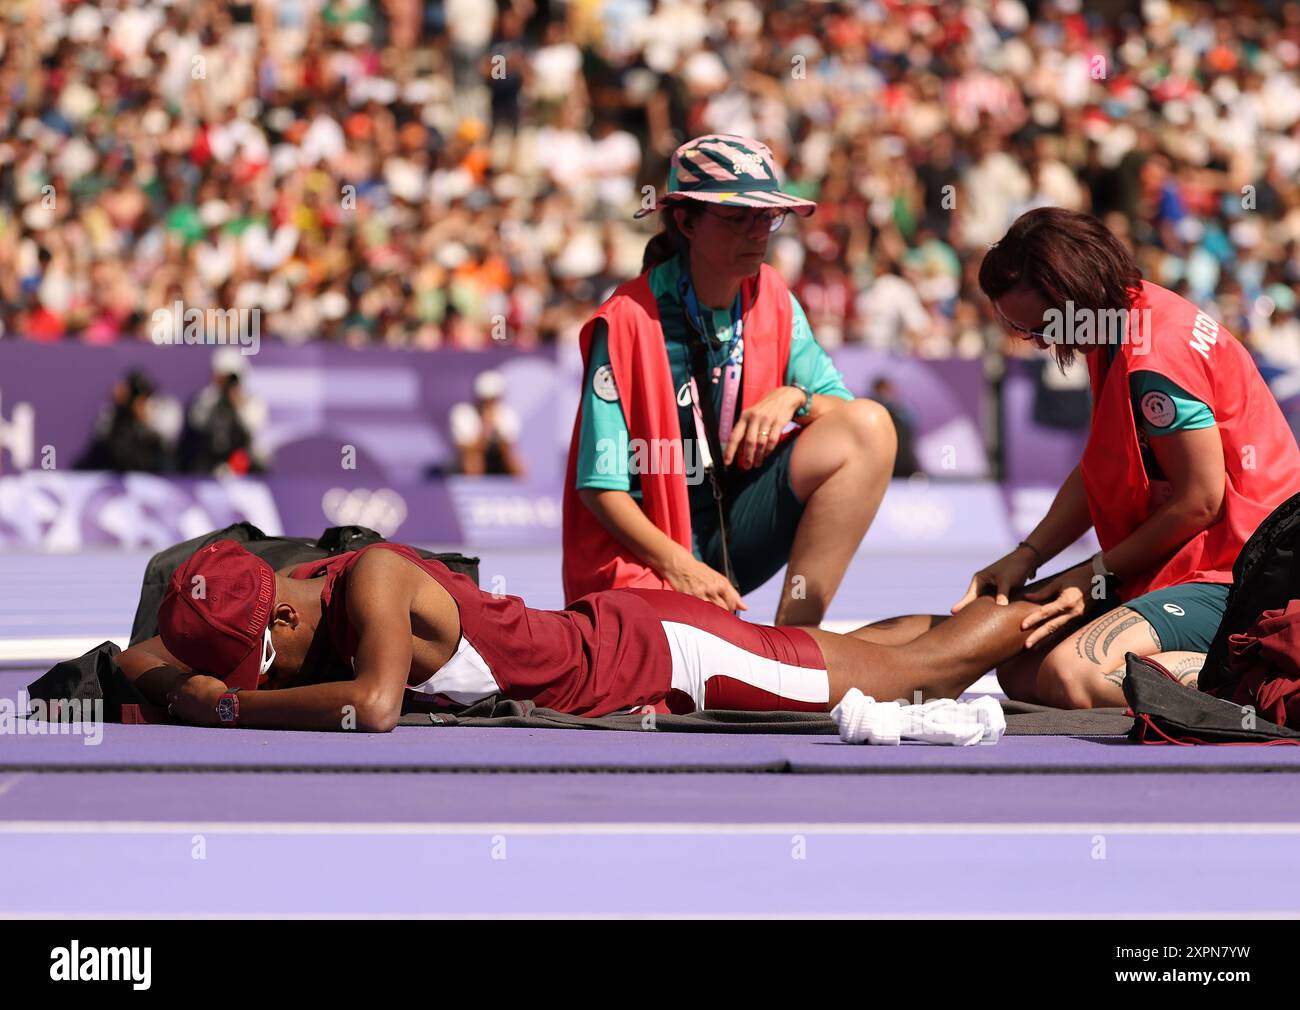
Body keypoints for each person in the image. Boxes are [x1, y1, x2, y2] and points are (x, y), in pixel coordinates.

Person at [874, 208, 1300, 709]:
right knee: (1020, 666)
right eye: (1018, 328)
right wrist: (1028, 555)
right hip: (1191, 564)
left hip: (1241, 577)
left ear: (1073, 295)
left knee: (1075, 675)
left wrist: (1095, 572)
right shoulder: (1117, 321)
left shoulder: (1154, 358)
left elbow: (1199, 502)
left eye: (1036, 327)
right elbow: (1103, 467)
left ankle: (1246, 678)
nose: (1034, 340)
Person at [113, 538, 1040, 731]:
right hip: (628, 636)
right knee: (860, 648)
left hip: (671, 657)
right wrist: (157, 676)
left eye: (251, 655)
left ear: (278, 611)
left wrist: (225, 707)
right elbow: (144, 656)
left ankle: (1065, 601)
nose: (253, 674)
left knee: (912, 678)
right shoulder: (287, 589)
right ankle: (1015, 625)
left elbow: (375, 707)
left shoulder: (375, 580)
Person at [563, 134, 896, 626]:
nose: (758, 232)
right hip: (642, 560)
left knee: (871, 426)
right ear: (686, 221)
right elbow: (600, 487)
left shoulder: (774, 297)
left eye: (767, 217)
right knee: (671, 683)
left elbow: (844, 413)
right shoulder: (627, 318)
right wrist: (683, 568)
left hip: (727, 532)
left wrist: (794, 397)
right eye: (737, 217)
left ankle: (796, 646)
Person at [449, 370, 525, 476]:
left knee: (517, 463)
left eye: (494, 399)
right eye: (486, 399)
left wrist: (498, 429)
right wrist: (485, 428)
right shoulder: (464, 413)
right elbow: (466, 449)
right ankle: (473, 491)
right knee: (473, 459)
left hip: (499, 461)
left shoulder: (507, 414)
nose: (490, 403)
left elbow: (508, 449)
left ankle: (521, 491)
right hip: (472, 460)